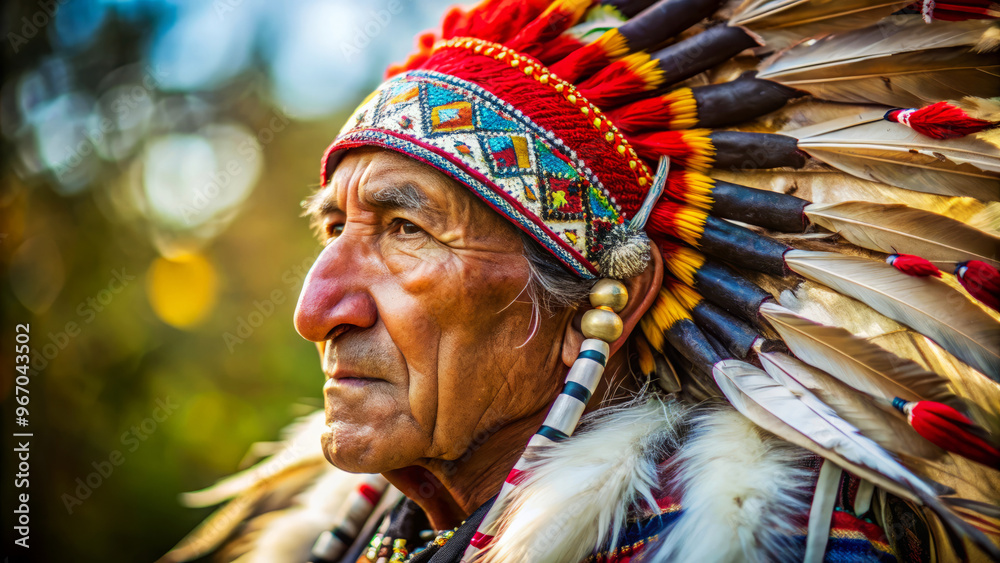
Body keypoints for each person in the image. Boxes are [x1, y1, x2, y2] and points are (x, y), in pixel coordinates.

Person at [161, 0, 1000, 561]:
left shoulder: (750, 535)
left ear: (604, 298)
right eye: (333, 226)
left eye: (406, 229)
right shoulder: (364, 532)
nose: (316, 309)